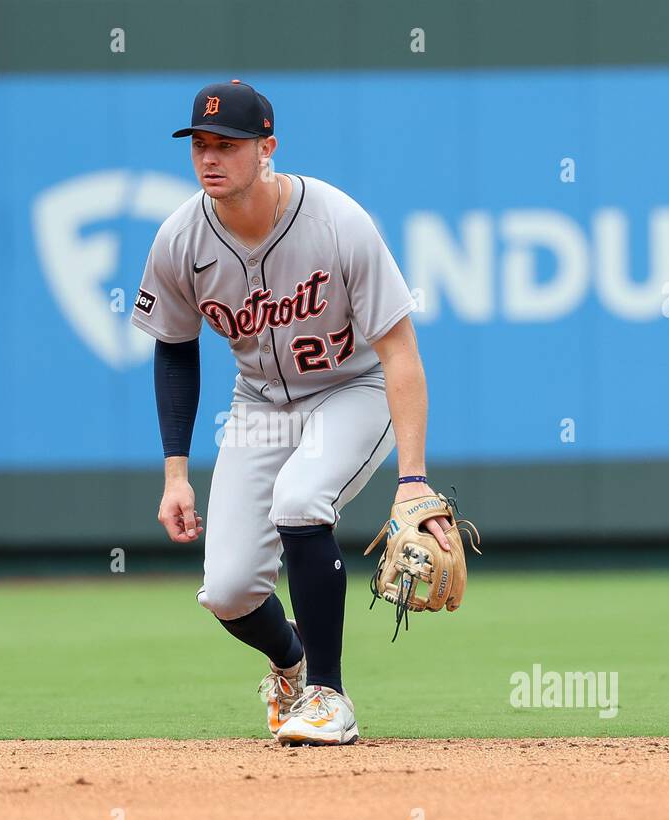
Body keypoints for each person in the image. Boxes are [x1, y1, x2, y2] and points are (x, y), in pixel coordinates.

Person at [130, 79, 450, 746]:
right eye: (200, 145)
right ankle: (291, 662)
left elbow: (398, 350)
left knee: (302, 500)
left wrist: (414, 478)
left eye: (227, 145)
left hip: (351, 391)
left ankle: (331, 698)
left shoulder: (338, 222)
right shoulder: (181, 239)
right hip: (261, 405)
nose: (209, 158)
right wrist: (175, 472)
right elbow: (175, 350)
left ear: (267, 148)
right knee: (227, 591)